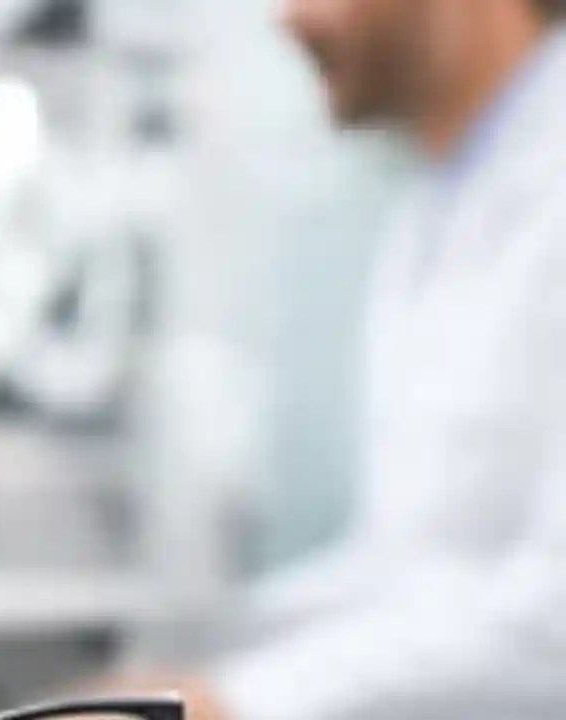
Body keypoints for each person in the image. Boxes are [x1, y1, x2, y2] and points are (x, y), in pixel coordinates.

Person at [91, 0, 566, 718]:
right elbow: (407, 574)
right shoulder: (442, 196)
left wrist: (233, 701)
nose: (289, 18)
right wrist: (177, 676)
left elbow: (552, 627)